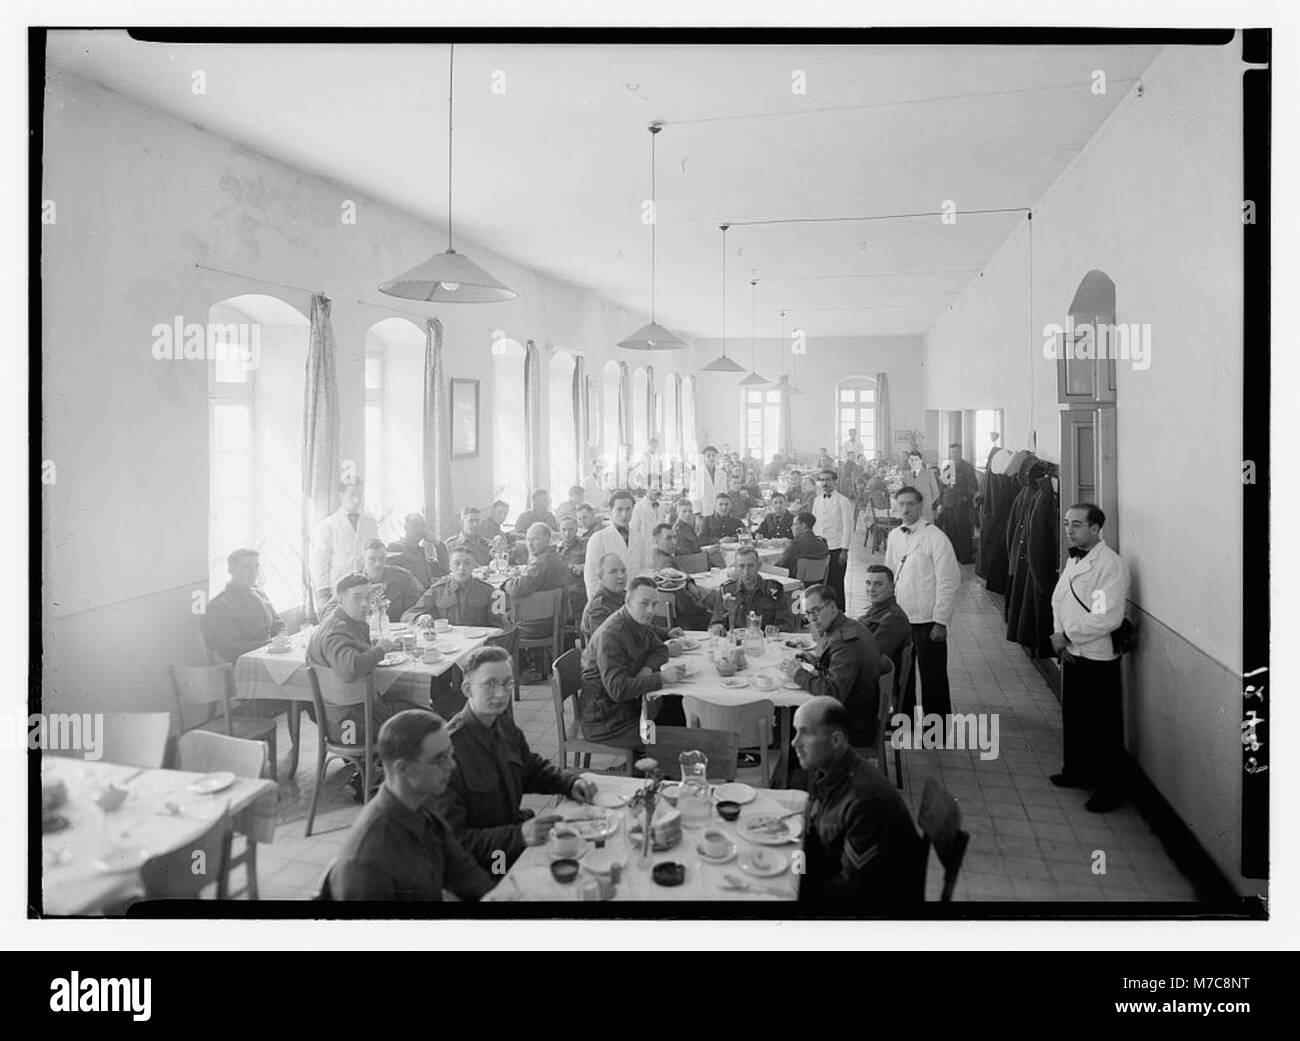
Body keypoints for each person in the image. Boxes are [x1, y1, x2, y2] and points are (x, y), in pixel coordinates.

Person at [438, 646, 598, 869]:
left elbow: (529, 767)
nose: (501, 694)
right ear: (467, 689)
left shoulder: (502, 722)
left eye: (506, 683)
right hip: (484, 864)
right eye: (490, 684)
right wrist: (518, 835)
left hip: (513, 843)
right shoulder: (449, 751)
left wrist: (570, 783)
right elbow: (451, 842)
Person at [326, 710, 494, 901]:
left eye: (450, 753)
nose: (452, 765)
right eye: (439, 758)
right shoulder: (368, 861)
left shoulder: (421, 803)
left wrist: (494, 896)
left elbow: (459, 866)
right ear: (403, 769)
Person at [793, 696, 924, 904]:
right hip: (835, 872)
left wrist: (792, 890)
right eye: (795, 731)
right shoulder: (831, 772)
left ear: (836, 740)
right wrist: (793, 867)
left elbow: (852, 891)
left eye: (805, 733)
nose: (794, 742)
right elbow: (817, 838)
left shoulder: (865, 802)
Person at [1049, 503, 1132, 813]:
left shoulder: (1109, 566)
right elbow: (1059, 600)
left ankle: (1107, 790)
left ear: (1096, 529)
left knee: (1102, 726)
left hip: (1097, 657)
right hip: (1072, 650)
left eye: (1077, 525)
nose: (1069, 530)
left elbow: (1104, 617)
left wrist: (1067, 636)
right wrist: (1060, 638)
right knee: (1075, 717)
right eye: (1068, 523)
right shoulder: (1074, 559)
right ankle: (1077, 771)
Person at [579, 577, 689, 747]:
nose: (651, 611)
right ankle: (648, 767)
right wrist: (661, 678)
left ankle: (654, 766)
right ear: (628, 601)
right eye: (644, 603)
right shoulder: (611, 635)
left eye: (654, 604)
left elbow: (660, 649)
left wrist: (646, 669)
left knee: (677, 706)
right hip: (607, 720)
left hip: (628, 706)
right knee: (665, 738)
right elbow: (618, 690)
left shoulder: (638, 621)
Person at [883, 485, 960, 721]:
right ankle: (903, 721)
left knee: (932, 675)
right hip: (901, 618)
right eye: (901, 504)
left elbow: (949, 581)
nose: (905, 509)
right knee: (900, 674)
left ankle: (936, 729)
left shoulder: (935, 537)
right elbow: (889, 574)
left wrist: (941, 621)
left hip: (927, 619)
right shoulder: (895, 535)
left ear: (920, 506)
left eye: (910, 504)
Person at [781, 584, 881, 750]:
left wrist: (798, 674)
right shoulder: (848, 626)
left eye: (816, 611)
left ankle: (796, 770)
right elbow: (838, 670)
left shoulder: (845, 643)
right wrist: (815, 662)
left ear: (833, 607)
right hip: (857, 713)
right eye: (808, 613)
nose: (812, 618)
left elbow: (832, 693)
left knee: (791, 718)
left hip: (851, 727)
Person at [201, 548, 285, 663]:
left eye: (256, 567)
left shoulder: (260, 594)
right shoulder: (217, 607)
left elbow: (278, 624)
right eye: (246, 567)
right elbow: (231, 651)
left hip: (271, 659)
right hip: (242, 668)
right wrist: (272, 644)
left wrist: (282, 639)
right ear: (231, 571)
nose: (253, 572)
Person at [310, 479, 379, 614]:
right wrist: (324, 593)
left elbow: (375, 553)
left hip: (364, 585)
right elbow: (319, 561)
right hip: (338, 586)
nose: (356, 500)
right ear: (341, 496)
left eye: (359, 495)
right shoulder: (328, 525)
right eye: (352, 495)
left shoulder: (370, 523)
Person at [402, 547, 502, 627]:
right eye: (457, 563)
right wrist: (420, 617)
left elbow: (499, 625)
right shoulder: (437, 590)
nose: (462, 568)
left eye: (467, 563)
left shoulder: (489, 591)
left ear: (473, 566)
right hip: (446, 645)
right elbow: (407, 615)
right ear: (450, 566)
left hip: (479, 647)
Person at [709, 545, 790, 633]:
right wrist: (718, 627)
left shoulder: (774, 590)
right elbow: (715, 622)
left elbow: (787, 623)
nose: (746, 571)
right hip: (736, 642)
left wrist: (776, 628)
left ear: (758, 566)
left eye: (751, 566)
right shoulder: (726, 590)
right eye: (741, 566)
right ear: (735, 568)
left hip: (765, 642)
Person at [649, 524, 714, 630]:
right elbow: (685, 604)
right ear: (656, 540)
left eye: (675, 537)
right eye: (668, 538)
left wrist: (689, 582)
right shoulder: (665, 564)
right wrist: (705, 609)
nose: (674, 542)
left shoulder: (657, 557)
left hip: (667, 618)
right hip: (683, 621)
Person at [811, 469, 856, 607]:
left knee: (835, 582)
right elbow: (814, 523)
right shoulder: (817, 500)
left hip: (836, 547)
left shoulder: (843, 501)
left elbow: (848, 527)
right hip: (819, 548)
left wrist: (845, 550)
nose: (825, 483)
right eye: (822, 480)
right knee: (820, 582)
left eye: (828, 480)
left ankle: (838, 611)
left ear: (835, 482)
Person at [858, 564, 913, 672]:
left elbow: (871, 657)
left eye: (878, 584)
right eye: (868, 583)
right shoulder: (877, 610)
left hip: (877, 683)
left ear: (891, 587)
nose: (871, 589)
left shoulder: (894, 620)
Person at [583, 488, 635, 598]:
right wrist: (596, 603)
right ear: (611, 510)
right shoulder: (598, 539)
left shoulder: (639, 539)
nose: (624, 514)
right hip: (607, 601)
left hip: (633, 600)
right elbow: (591, 576)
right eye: (619, 509)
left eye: (628, 509)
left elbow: (643, 570)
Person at [357, 538, 424, 622]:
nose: (378, 564)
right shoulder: (354, 583)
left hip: (399, 630)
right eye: (372, 559)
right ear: (362, 561)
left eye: (382, 559)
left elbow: (414, 610)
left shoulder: (403, 577)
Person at [936, 443, 979, 565]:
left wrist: (964, 497)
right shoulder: (947, 466)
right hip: (948, 502)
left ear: (961, 452)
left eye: (956, 452)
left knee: (963, 531)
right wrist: (940, 503)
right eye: (952, 452)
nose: (954, 455)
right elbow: (942, 487)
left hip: (962, 504)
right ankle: (953, 556)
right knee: (950, 530)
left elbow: (973, 487)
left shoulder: (967, 467)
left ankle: (966, 556)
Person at [386, 513, 448, 589]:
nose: (420, 529)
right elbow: (391, 577)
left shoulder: (422, 553)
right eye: (416, 525)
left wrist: (437, 544)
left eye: (423, 526)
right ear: (405, 527)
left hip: (424, 598)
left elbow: (443, 570)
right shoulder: (396, 547)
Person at [775, 512, 830, 576]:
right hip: (818, 582)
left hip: (794, 581)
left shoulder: (797, 543)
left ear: (803, 525)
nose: (791, 527)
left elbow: (782, 564)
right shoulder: (822, 542)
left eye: (794, 524)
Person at [627, 486, 663, 572]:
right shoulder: (638, 508)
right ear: (647, 488)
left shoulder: (662, 507)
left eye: (660, 487)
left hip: (660, 554)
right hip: (645, 553)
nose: (658, 490)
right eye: (654, 488)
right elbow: (633, 534)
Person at [904, 450, 941, 523]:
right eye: (911, 460)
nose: (914, 462)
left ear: (920, 461)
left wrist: (927, 503)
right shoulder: (906, 476)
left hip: (925, 510)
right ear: (908, 461)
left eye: (916, 459)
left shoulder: (929, 474)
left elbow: (936, 492)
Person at [693, 444, 724, 517]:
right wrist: (697, 514)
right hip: (704, 510)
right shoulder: (697, 474)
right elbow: (695, 497)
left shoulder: (722, 474)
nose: (711, 458)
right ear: (704, 457)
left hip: (719, 510)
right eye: (708, 456)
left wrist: (723, 508)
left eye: (713, 456)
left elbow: (724, 492)